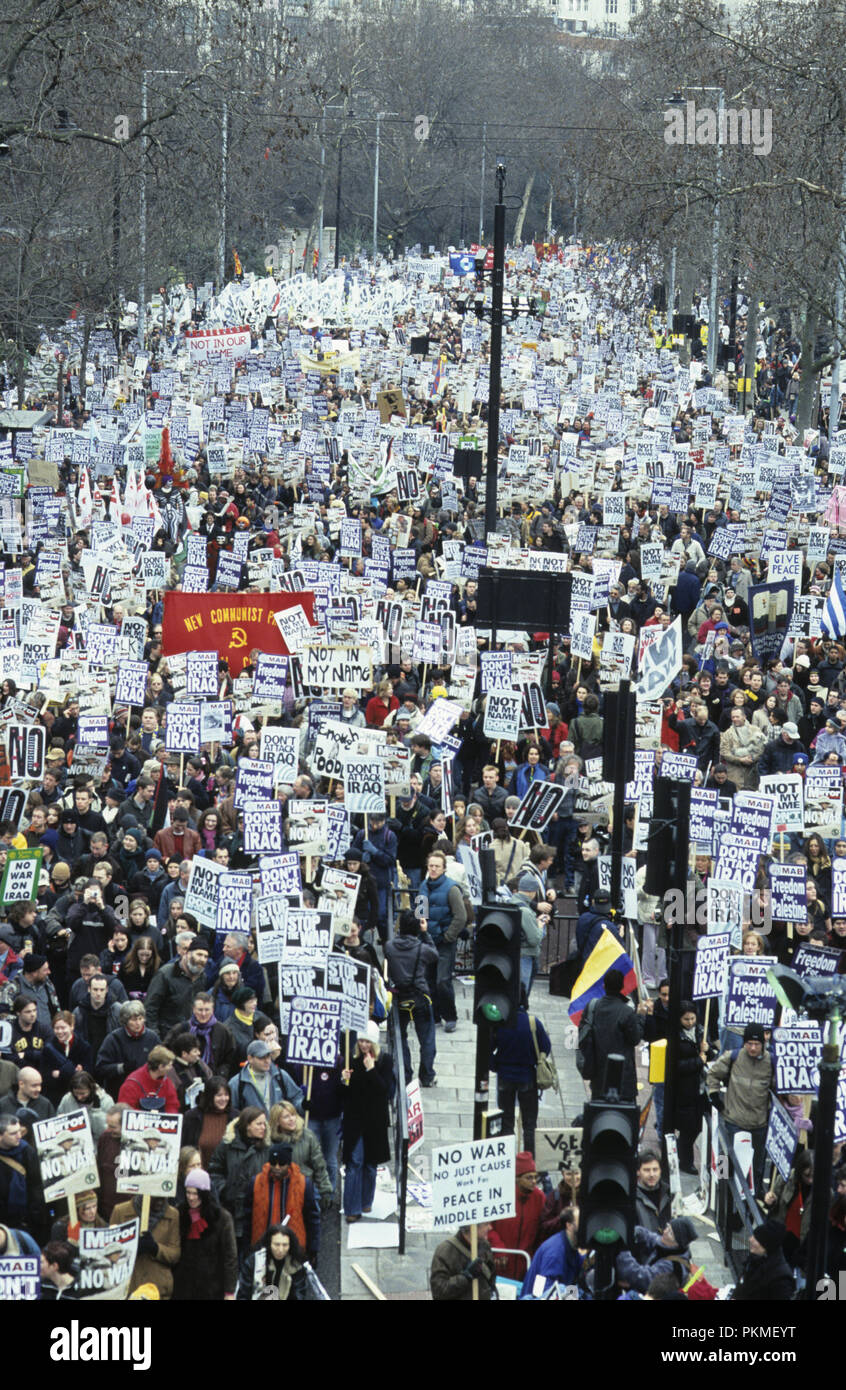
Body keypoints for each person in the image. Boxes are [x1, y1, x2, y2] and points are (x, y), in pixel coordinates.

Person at [707, 1022, 773, 1195]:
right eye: (749, 1043)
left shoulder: (771, 1063)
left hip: (758, 1125)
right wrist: (714, 1096)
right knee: (725, 1161)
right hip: (732, 1121)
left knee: (756, 1167)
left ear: (763, 1044)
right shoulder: (732, 1057)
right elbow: (713, 1073)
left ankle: (755, 1198)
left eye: (756, 1044)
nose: (752, 1048)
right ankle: (720, 1193)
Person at [341, 1022, 393, 1223]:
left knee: (370, 1165)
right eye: (361, 1041)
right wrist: (343, 1081)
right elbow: (345, 1095)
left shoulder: (385, 1061)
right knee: (355, 1162)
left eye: (367, 1041)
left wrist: (372, 1070)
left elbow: (385, 1091)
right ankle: (352, 1208)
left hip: (375, 1121)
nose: (363, 1045)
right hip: (355, 1119)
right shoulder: (351, 1060)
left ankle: (365, 1200)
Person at [489, 998, 550, 1158]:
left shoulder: (501, 1022)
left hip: (505, 1077)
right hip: (527, 1078)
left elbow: (488, 1050)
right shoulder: (533, 1023)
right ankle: (529, 1160)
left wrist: (497, 1066)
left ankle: (506, 1160)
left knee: (506, 1123)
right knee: (529, 1125)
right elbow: (546, 1047)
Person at [384, 908, 438, 1087]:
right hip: (420, 996)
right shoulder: (422, 949)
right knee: (427, 1038)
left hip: (400, 997)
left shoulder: (389, 947)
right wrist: (425, 933)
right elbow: (435, 954)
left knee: (400, 1037)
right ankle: (427, 1075)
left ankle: (405, 1074)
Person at [243, 1140, 321, 1263]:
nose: (277, 1167)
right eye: (273, 1163)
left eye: (282, 1163)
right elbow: (247, 1218)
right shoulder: (256, 1183)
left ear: (289, 1164)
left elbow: (312, 1220)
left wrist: (313, 1249)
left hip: (293, 1250)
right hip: (263, 1248)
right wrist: (247, 1248)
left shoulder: (304, 1184)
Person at [209, 1106, 270, 1252]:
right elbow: (214, 1170)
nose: (263, 1128)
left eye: (264, 1124)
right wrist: (225, 1188)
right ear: (248, 1125)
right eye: (259, 1124)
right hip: (230, 1208)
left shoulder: (267, 1148)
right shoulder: (227, 1145)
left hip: (256, 1210)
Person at [171, 1168, 238, 1302]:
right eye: (188, 1193)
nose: (191, 1197)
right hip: (183, 1286)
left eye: (195, 1193)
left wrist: (229, 1291)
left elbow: (230, 1257)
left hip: (212, 1287)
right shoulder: (180, 1213)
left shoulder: (222, 1218)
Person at [419, 848, 466, 1032]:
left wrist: (448, 936)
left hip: (445, 941)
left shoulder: (452, 888)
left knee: (442, 980)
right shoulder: (424, 885)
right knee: (428, 979)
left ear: (444, 868)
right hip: (428, 939)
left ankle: (450, 1016)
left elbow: (460, 916)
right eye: (431, 866)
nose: (433, 869)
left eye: (437, 866)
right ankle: (435, 1015)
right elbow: (420, 912)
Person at [580, 968, 644, 1101]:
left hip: (598, 1075)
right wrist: (641, 1018)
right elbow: (635, 1039)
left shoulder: (592, 1007)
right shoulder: (627, 1012)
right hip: (623, 1077)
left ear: (604, 985)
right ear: (622, 986)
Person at [488, 1151, 545, 1281]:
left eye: (535, 1177)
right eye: (529, 1178)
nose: (534, 1181)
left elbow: (542, 1228)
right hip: (501, 1262)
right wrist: (498, 1248)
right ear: (517, 1178)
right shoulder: (501, 1194)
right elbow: (487, 1226)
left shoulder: (539, 1197)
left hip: (526, 1264)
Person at [111, 1193, 181, 1299]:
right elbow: (109, 1252)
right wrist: (130, 1249)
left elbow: (175, 1254)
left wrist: (155, 1248)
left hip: (158, 1287)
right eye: (156, 1198)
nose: (160, 1202)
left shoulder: (173, 1215)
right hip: (129, 1288)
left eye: (163, 1198)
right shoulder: (121, 1211)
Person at [267, 1102, 333, 1207]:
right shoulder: (269, 1141)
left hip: (305, 1188)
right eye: (286, 1117)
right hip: (279, 1190)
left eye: (293, 1115)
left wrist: (325, 1190)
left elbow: (319, 1166)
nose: (292, 1119)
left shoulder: (307, 1136)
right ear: (277, 1121)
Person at [521, 1205, 584, 1298]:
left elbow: (573, 1285)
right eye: (581, 1222)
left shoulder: (572, 1248)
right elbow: (548, 1292)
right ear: (569, 1225)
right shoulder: (555, 1252)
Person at [236, 1223, 310, 1301]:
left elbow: (299, 1294)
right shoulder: (255, 1261)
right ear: (269, 1244)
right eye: (276, 1245)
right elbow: (243, 1293)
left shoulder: (296, 1265)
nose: (280, 1250)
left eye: (285, 1245)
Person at [228, 1039, 303, 1115]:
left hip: (278, 1126)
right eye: (262, 1058)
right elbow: (232, 1112)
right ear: (250, 1058)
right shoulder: (236, 1083)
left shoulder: (280, 1076)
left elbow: (296, 1098)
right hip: (252, 1126)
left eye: (268, 1056)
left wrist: (303, 1105)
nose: (267, 1061)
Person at [0, 1114, 42, 1239]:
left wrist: (34, 1215)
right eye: (13, 1133)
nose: (19, 1136)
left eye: (19, 1131)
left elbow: (36, 1186)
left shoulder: (27, 1151)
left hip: (24, 1219)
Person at [430, 1221, 496, 1301]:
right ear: (472, 1227)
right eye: (486, 1224)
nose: (490, 1227)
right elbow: (438, 1292)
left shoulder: (485, 1245)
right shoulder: (445, 1251)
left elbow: (491, 1280)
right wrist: (466, 1277)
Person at [731, 1219, 796, 1301]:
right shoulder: (755, 1258)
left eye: (756, 1239)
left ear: (766, 1245)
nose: (750, 1239)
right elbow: (742, 1284)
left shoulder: (781, 1279)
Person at [181, 1075, 236, 1169]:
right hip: (197, 1175)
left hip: (226, 1176)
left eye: (226, 1095)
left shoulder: (235, 1117)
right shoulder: (192, 1117)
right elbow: (184, 1149)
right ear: (209, 1096)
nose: (224, 1099)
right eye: (219, 1095)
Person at [117, 1044, 180, 1113]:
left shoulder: (166, 1081)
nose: (171, 1068)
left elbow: (173, 1105)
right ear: (161, 1067)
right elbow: (126, 1111)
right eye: (169, 1065)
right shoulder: (131, 1084)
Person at [634, 1150, 672, 1233]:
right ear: (638, 1172)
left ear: (660, 1171)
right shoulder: (631, 1198)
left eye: (655, 1169)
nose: (652, 1174)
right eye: (647, 1170)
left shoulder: (669, 1193)